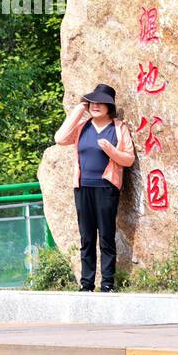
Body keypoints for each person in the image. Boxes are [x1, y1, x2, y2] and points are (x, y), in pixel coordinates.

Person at [53, 83, 135, 292]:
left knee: (106, 235)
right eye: (92, 102)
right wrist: (80, 108)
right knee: (86, 237)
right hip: (82, 187)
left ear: (110, 106)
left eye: (101, 103)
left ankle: (108, 282)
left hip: (106, 187)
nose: (95, 105)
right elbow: (60, 138)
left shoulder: (118, 128)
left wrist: (111, 151)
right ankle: (86, 283)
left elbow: (128, 159)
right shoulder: (83, 127)